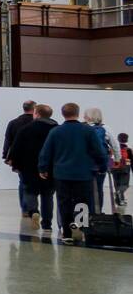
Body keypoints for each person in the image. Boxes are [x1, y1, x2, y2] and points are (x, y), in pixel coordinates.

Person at [38, 103, 107, 244]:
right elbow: (99, 151)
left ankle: (67, 233)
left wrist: (43, 168)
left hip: (62, 174)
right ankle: (81, 228)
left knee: (64, 202)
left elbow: (45, 152)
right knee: (83, 202)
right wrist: (102, 166)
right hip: (84, 174)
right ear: (78, 113)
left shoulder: (56, 131)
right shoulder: (88, 131)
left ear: (63, 114)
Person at [6, 105, 58, 233]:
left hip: (28, 166)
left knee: (30, 191)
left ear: (37, 114)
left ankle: (34, 211)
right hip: (50, 167)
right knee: (48, 195)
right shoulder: (57, 129)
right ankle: (47, 224)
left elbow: (16, 147)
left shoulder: (26, 129)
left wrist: (14, 163)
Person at [3, 100, 36, 217]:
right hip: (36, 158)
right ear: (34, 108)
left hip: (19, 158)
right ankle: (33, 208)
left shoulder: (13, 123)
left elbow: (8, 140)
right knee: (35, 183)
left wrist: (5, 155)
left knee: (23, 182)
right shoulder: (37, 123)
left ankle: (25, 209)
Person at [83, 108, 115, 214]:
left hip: (85, 166)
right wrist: (117, 160)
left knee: (84, 190)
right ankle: (97, 213)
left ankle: (83, 217)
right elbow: (115, 145)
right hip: (100, 165)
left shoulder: (83, 128)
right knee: (99, 189)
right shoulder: (105, 128)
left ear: (87, 116)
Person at [114, 133, 130, 208]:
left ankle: (119, 200)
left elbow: (111, 159)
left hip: (115, 169)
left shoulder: (114, 148)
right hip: (125, 170)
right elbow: (130, 161)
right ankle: (121, 198)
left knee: (117, 185)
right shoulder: (128, 150)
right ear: (127, 140)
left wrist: (110, 168)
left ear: (118, 139)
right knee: (124, 185)